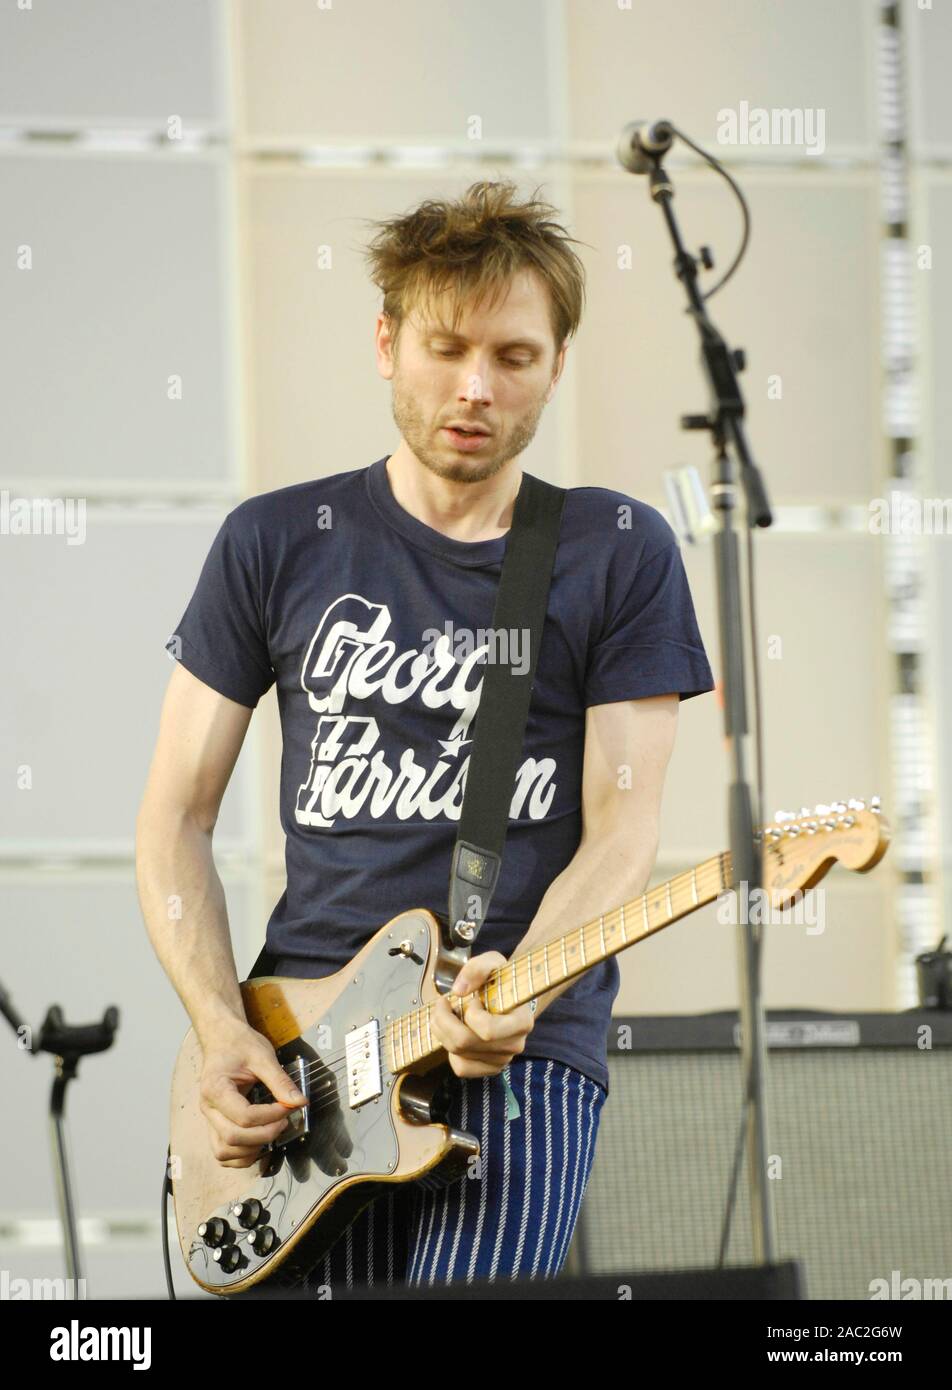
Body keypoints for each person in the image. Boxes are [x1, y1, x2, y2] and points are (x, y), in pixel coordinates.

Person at [135, 180, 716, 1293]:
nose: (475, 387)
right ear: (386, 342)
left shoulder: (615, 549)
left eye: (515, 356)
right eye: (446, 347)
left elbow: (623, 828)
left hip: (516, 1047)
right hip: (302, 1052)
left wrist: (524, 994)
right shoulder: (274, 542)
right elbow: (174, 816)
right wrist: (220, 1027)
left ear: (555, 365)